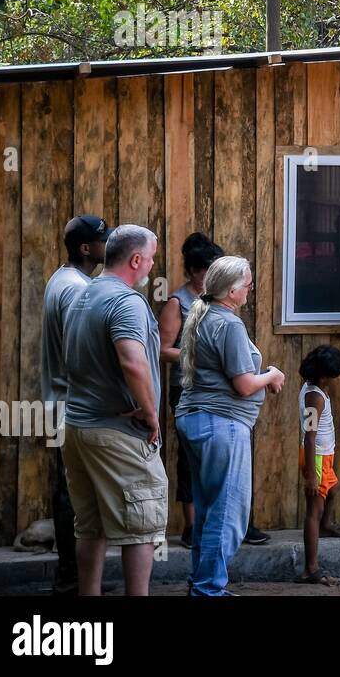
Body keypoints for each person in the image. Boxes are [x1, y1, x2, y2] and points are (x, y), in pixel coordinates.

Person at [62, 225, 166, 596]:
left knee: (90, 526)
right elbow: (133, 362)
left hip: (77, 428)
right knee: (142, 525)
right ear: (136, 260)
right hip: (117, 431)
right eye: (152, 258)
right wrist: (150, 412)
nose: (153, 266)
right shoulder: (126, 301)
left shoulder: (82, 294)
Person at [175, 256, 284, 596]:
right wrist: (271, 375)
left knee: (208, 510)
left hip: (195, 419)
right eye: (248, 285)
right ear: (232, 290)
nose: (250, 290)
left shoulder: (202, 314)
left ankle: (203, 583)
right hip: (222, 424)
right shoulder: (229, 324)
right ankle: (209, 589)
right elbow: (243, 385)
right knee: (228, 513)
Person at [41, 214, 110, 595]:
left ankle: (74, 576)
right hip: (74, 404)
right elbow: (82, 353)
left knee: (71, 491)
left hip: (62, 403)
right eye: (103, 240)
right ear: (87, 249)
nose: (109, 245)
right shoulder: (75, 290)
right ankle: (72, 578)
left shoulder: (64, 280)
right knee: (76, 495)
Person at [158, 232, 223, 549]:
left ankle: (220, 521)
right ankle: (190, 525)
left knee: (217, 456)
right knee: (189, 458)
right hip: (187, 390)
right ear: (196, 270)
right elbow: (161, 350)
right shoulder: (177, 302)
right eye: (209, 269)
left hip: (217, 390)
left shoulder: (218, 299)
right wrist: (195, 355)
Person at [297, 344, 340, 586]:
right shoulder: (314, 397)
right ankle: (311, 569)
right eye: (337, 373)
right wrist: (311, 475)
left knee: (332, 493)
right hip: (316, 458)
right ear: (324, 376)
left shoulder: (316, 389)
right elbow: (309, 436)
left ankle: (326, 525)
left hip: (324, 456)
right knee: (313, 512)